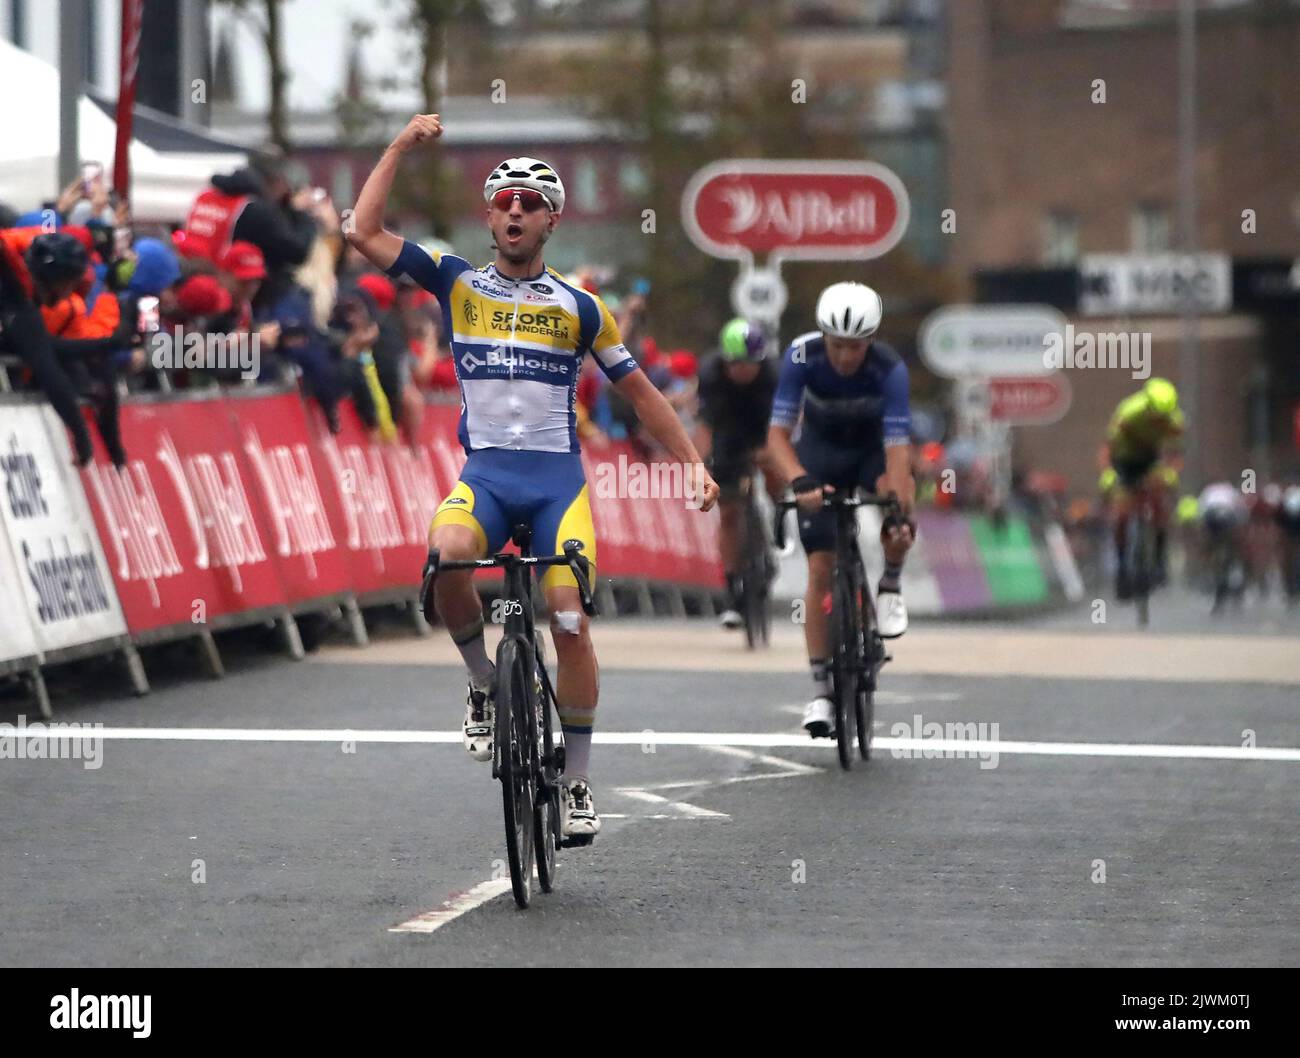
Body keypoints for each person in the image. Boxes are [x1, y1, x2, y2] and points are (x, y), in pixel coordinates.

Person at [345, 115, 718, 840]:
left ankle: (577, 781)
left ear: (551, 219)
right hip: (484, 477)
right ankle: (483, 684)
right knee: (448, 552)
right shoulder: (454, 281)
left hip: (556, 487)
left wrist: (694, 465)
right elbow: (362, 230)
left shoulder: (582, 309)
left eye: (530, 202)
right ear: (490, 216)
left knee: (570, 618)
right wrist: (396, 146)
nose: (515, 210)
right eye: (503, 200)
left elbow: (639, 396)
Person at [765, 282, 915, 738]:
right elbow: (777, 438)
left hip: (871, 453)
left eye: (855, 347)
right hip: (821, 456)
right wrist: (800, 480)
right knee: (820, 570)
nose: (846, 357)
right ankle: (821, 691)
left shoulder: (890, 369)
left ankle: (889, 580)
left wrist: (896, 501)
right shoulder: (799, 357)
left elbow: (897, 449)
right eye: (837, 346)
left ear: (869, 341)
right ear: (823, 338)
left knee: (901, 509)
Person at [695, 317, 780, 630]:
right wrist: (699, 465)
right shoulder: (711, 373)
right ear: (725, 361)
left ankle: (778, 514)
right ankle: (732, 590)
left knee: (774, 469)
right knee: (729, 512)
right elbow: (705, 426)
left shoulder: (773, 374)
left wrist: (770, 457)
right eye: (736, 364)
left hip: (765, 429)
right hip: (728, 432)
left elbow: (786, 424)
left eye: (749, 364)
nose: (742, 371)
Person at [1104, 378, 1184, 599]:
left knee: (1159, 500)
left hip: (1151, 459)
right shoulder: (1129, 413)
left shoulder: (1174, 420)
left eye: (1163, 417)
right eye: (1155, 415)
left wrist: (1170, 474)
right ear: (1147, 406)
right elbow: (1110, 447)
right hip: (1125, 460)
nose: (1159, 420)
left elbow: (1175, 450)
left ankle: (1159, 558)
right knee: (1121, 514)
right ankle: (1121, 567)